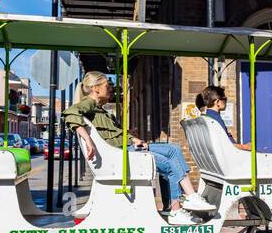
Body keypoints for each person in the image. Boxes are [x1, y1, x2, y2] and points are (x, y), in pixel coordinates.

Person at [62, 70, 213, 223]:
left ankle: (190, 197)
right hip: (121, 154)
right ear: (96, 88)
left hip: (127, 148)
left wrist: (134, 139)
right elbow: (70, 112)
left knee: (174, 149)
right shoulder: (89, 103)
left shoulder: (98, 108)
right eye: (107, 86)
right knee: (169, 165)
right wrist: (87, 138)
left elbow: (116, 134)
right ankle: (176, 210)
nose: (111, 89)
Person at [197, 85, 272, 221]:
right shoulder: (215, 119)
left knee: (268, 159)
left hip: (217, 165)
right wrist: (246, 146)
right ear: (217, 102)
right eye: (224, 99)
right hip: (231, 163)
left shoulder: (206, 118)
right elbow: (227, 145)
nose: (225, 101)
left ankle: (269, 206)